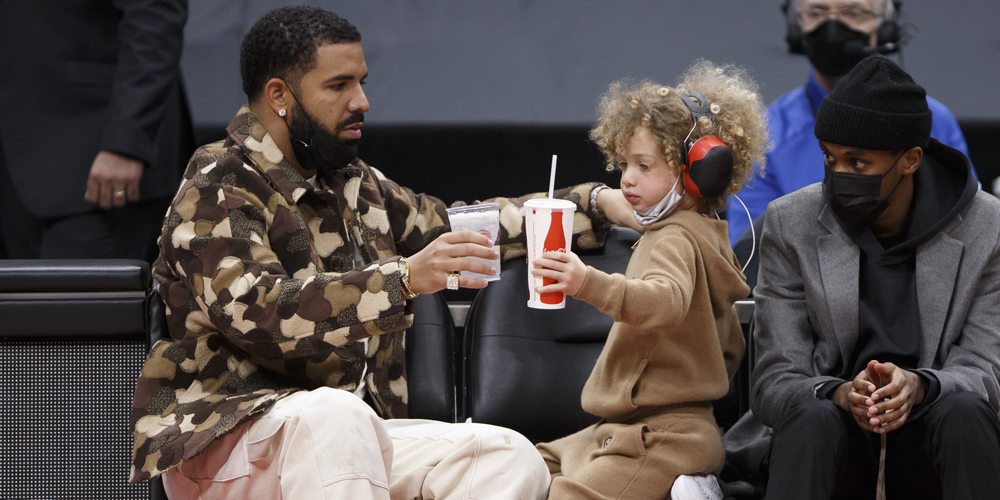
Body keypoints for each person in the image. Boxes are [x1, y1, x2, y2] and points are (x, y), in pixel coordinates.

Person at [128, 6, 639, 499]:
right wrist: (403, 280)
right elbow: (256, 309)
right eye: (338, 86)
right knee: (334, 417)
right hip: (229, 438)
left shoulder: (354, 183)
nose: (362, 101)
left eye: (361, 82)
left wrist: (594, 203)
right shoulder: (220, 183)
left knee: (505, 455)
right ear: (279, 95)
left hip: (351, 442)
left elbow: (458, 225)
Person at [745, 56, 1000, 499]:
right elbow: (773, 384)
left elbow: (988, 374)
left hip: (933, 435)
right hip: (831, 439)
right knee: (811, 415)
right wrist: (841, 394)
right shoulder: (790, 222)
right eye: (830, 158)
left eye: (858, 163)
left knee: (962, 410)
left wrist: (920, 387)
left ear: (910, 160)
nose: (838, 175)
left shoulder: (988, 229)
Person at [532, 62, 769, 500]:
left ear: (699, 171)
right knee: (532, 462)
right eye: (624, 164)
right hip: (633, 429)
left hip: (662, 438)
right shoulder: (696, 237)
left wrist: (586, 282)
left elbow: (666, 302)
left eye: (644, 165)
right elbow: (730, 347)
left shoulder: (674, 238)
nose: (626, 179)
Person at [727, 0, 971, 245]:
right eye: (817, 12)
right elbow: (753, 253)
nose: (832, 26)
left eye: (853, 12)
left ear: (885, 28)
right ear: (797, 25)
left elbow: (966, 232)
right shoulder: (765, 132)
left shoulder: (936, 122)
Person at [0, 0, 193, 262]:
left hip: (99, 166)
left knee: (76, 301)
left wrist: (126, 142)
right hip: (19, 169)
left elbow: (155, 12)